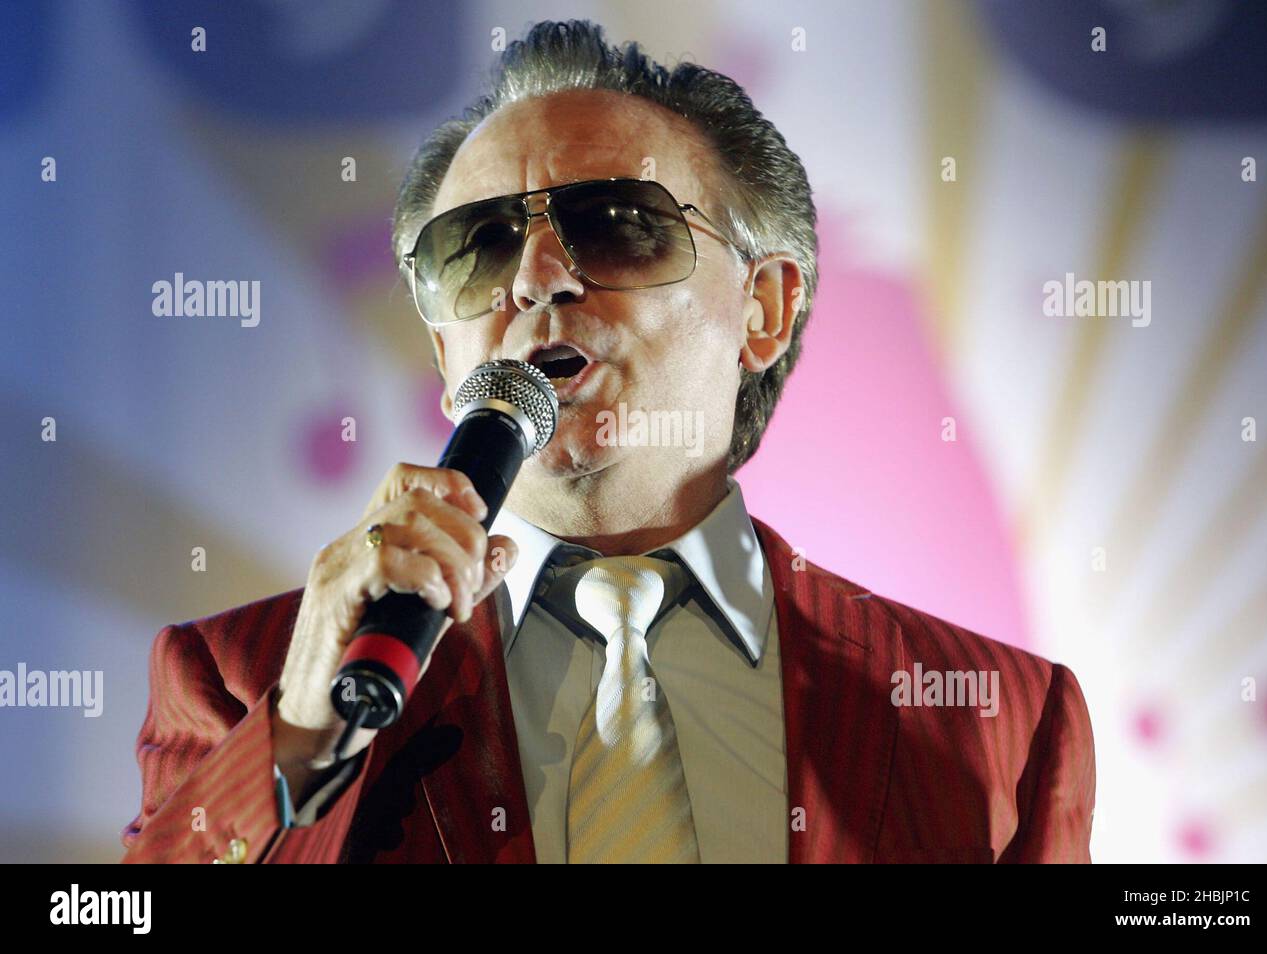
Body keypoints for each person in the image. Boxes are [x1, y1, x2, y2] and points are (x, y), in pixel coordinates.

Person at [121, 19, 1095, 864]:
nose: (539, 277)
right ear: (443, 341)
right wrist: (298, 741)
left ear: (764, 305)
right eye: (481, 247)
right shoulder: (240, 679)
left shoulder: (998, 719)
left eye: (617, 226)